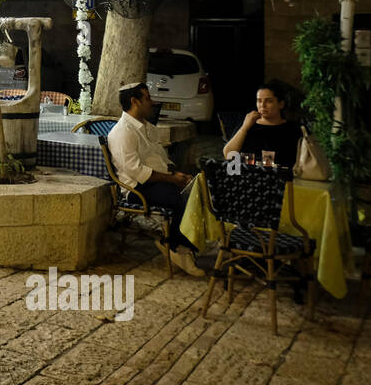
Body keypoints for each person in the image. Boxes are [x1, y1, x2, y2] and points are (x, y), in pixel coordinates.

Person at [107, 82, 203, 276]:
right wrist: (171, 179)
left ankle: (186, 243)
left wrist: (178, 174)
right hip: (137, 189)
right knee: (178, 198)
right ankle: (176, 248)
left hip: (157, 181)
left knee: (197, 189)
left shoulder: (147, 127)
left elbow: (161, 159)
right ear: (134, 101)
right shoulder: (122, 132)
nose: (152, 102)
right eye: (147, 98)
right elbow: (137, 172)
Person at [222, 82, 301, 168]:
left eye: (269, 101)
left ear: (281, 104)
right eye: (259, 101)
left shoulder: (292, 129)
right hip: (246, 175)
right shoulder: (248, 123)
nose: (262, 105)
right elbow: (228, 155)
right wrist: (244, 128)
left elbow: (290, 161)